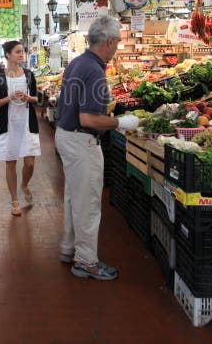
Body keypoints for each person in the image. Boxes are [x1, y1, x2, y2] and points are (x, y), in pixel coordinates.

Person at [55, 16, 138, 281]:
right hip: (81, 141)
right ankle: (87, 261)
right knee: (88, 203)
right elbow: (88, 118)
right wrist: (120, 122)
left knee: (74, 197)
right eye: (118, 42)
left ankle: (69, 249)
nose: (117, 47)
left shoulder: (78, 63)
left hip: (66, 135)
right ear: (110, 41)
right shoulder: (95, 70)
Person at [0, 40, 41, 216]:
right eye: (18, 52)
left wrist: (28, 97)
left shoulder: (28, 75)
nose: (21, 55)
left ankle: (24, 184)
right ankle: (15, 200)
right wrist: (9, 98)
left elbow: (37, 99)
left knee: (30, 163)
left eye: (22, 52)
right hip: (9, 124)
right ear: (8, 55)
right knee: (10, 162)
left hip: (27, 123)